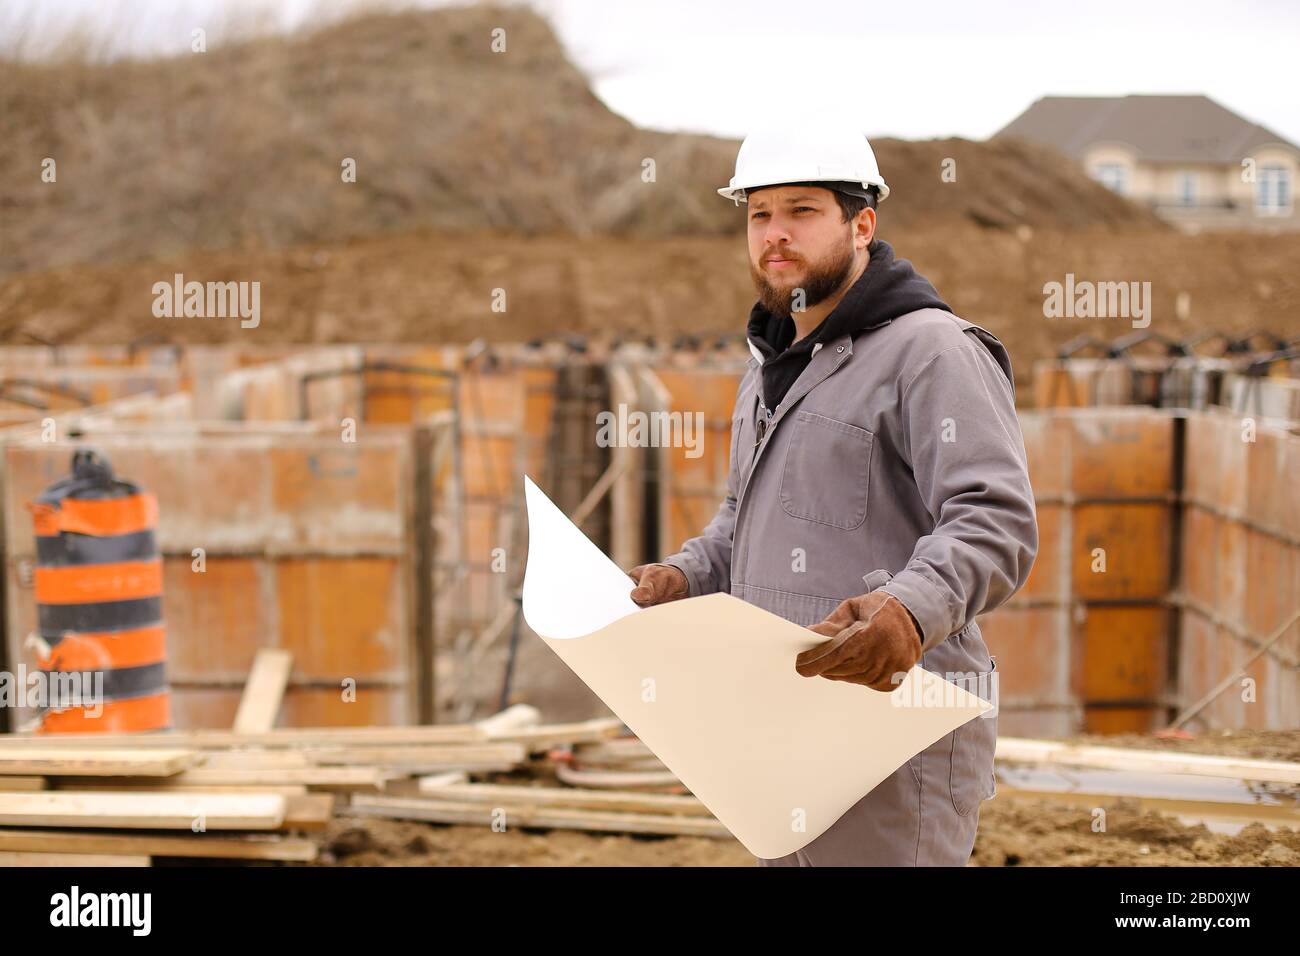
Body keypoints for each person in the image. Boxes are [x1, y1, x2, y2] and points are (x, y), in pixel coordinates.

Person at [627, 127, 1038, 866]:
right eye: (759, 215)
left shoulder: (932, 351)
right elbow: (744, 520)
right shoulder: (771, 366)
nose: (775, 235)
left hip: (891, 734)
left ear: (862, 224)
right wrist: (685, 575)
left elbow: (994, 516)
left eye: (802, 211)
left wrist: (909, 610)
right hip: (783, 726)